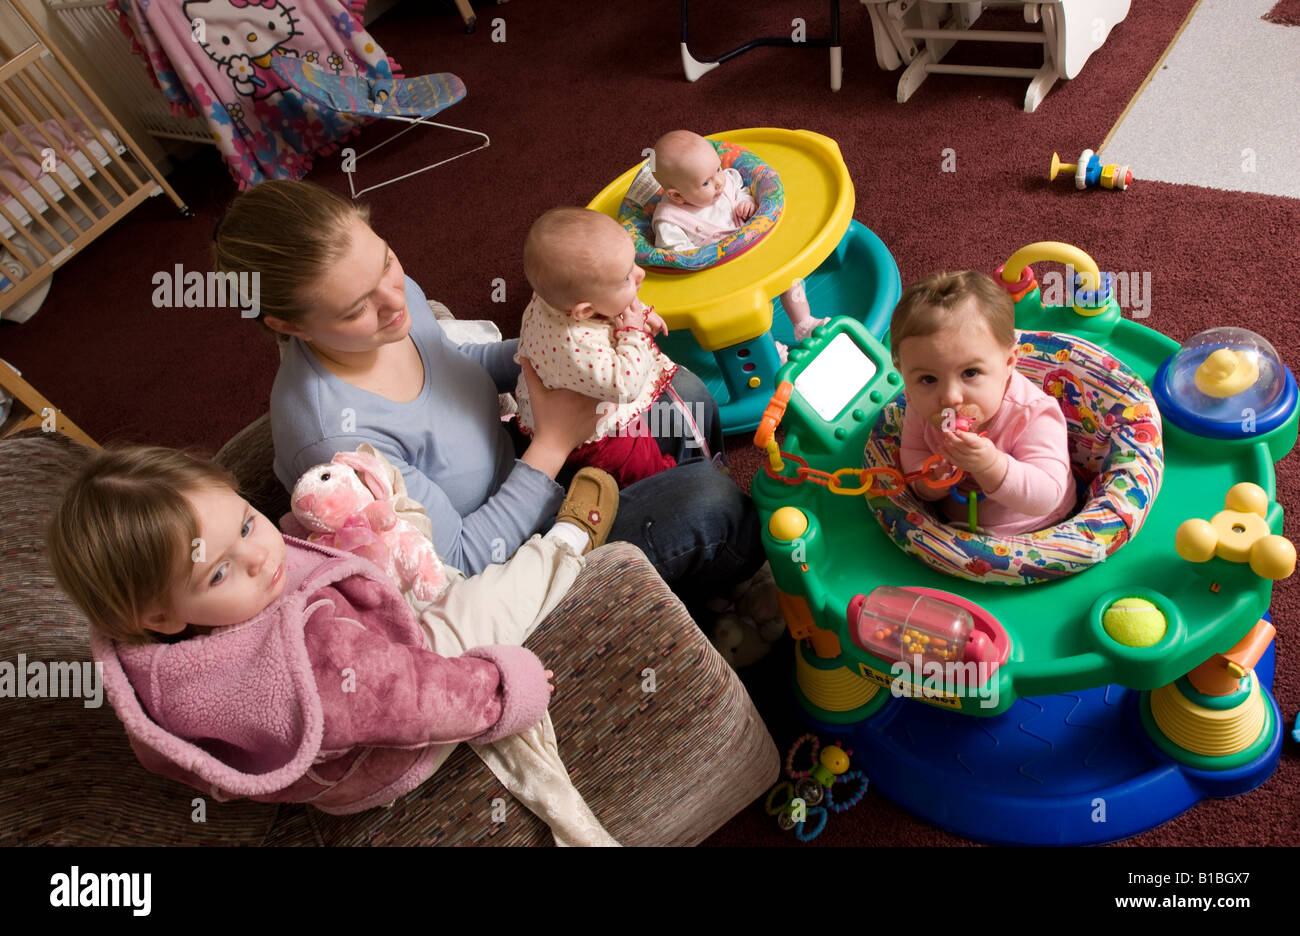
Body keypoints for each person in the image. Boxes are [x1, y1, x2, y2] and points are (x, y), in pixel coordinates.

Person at [212, 180, 764, 608]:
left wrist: (556, 356)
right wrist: (551, 444)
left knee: (685, 392)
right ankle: (714, 584)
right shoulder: (338, 446)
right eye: (356, 309)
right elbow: (456, 565)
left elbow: (459, 367)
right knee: (713, 507)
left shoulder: (392, 300)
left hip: (533, 461)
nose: (394, 300)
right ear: (292, 326)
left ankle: (688, 522)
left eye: (385, 263)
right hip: (514, 557)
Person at [45, 444, 618, 816]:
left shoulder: (155, 658)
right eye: (218, 571)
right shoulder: (307, 667)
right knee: (479, 607)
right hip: (381, 749)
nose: (257, 557)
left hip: (349, 693)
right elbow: (411, 698)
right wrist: (503, 689)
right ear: (162, 617)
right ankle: (564, 546)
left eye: (248, 523)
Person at [890, 270, 1074, 536]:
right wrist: (929, 478)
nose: (950, 397)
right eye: (928, 379)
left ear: (1009, 363)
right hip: (950, 533)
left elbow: (1047, 495)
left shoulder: (1032, 414)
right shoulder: (919, 404)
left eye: (970, 373)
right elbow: (912, 451)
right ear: (903, 373)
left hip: (1036, 529)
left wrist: (991, 466)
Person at [515, 207, 685, 487]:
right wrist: (634, 331)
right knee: (642, 462)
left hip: (560, 398)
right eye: (627, 278)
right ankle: (665, 484)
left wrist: (638, 309)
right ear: (583, 312)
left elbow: (608, 302)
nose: (640, 274)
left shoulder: (556, 298)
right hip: (598, 436)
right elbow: (625, 386)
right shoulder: (577, 344)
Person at [650, 129, 826, 341]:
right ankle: (769, 349)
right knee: (743, 313)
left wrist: (747, 202)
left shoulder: (726, 183)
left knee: (788, 278)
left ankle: (804, 323)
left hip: (754, 252)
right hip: (719, 279)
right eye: (706, 182)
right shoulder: (669, 220)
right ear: (677, 195)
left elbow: (743, 190)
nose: (718, 182)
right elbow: (676, 256)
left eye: (718, 169)